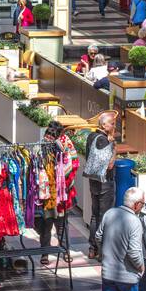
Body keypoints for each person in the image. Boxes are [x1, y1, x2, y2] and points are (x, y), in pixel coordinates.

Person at [36, 122, 78, 265]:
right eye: (47, 136)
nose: (48, 139)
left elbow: (73, 164)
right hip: (47, 191)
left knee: (62, 224)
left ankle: (65, 250)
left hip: (62, 193)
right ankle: (44, 253)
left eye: (51, 136)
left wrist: (62, 183)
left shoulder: (66, 145)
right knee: (46, 224)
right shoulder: (44, 145)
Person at [83, 111, 117, 257]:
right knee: (104, 217)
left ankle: (92, 248)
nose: (114, 125)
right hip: (105, 183)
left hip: (93, 182)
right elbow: (109, 165)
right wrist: (114, 147)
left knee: (94, 215)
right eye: (112, 123)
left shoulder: (91, 136)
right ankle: (103, 251)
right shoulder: (104, 140)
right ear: (104, 125)